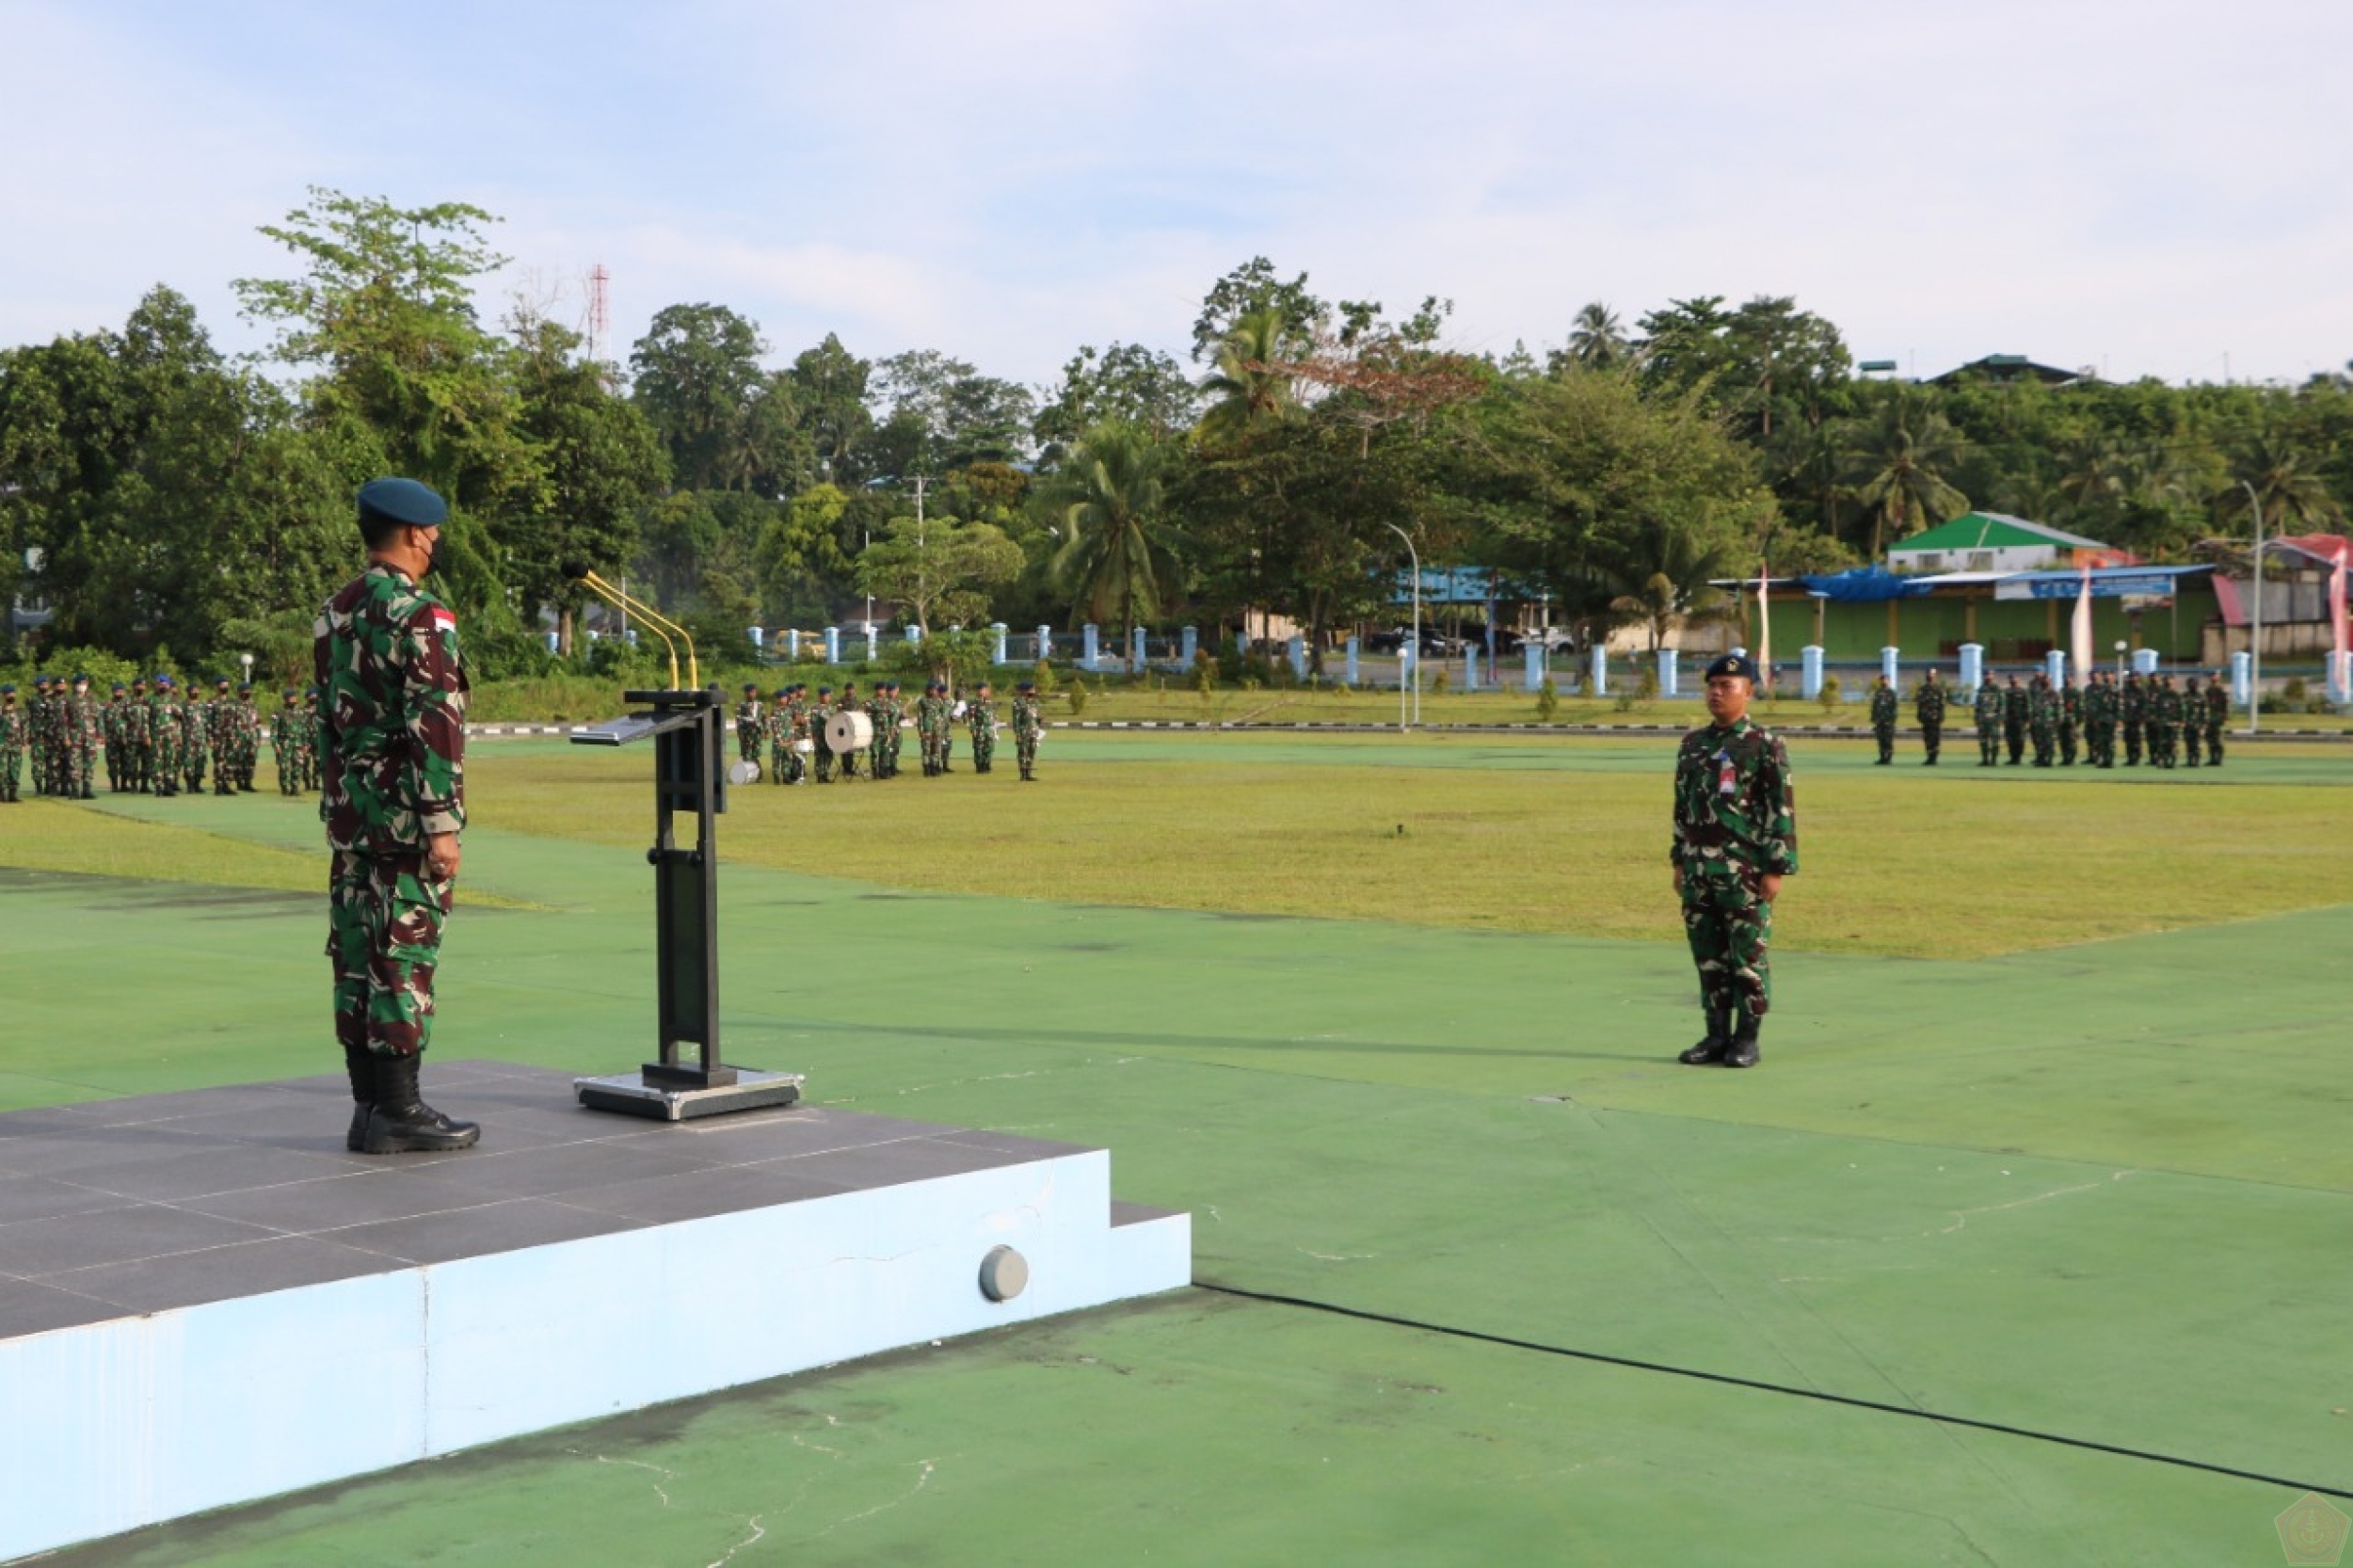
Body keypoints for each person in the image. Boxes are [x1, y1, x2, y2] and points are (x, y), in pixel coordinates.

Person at [315, 476, 479, 1156]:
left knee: (358, 957)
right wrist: (441, 823)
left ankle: (368, 1110)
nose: (436, 541)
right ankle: (400, 1111)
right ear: (414, 535)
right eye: (433, 533)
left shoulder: (338, 610)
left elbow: (329, 720)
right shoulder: (419, 614)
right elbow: (433, 722)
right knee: (404, 957)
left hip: (354, 817)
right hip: (408, 819)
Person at [1671, 654, 1797, 1070]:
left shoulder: (1765, 745)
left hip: (1744, 872)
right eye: (1712, 685)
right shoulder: (1692, 745)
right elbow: (1682, 809)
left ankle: (1747, 1038)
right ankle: (1715, 1034)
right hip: (1699, 871)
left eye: (1727, 685)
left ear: (1749, 691)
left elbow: (1781, 809)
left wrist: (1776, 868)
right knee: (1708, 956)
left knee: (1747, 956)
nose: (1717, 692)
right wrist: (1678, 860)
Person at [1012, 680, 1044, 780]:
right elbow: (1016, 719)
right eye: (1031, 689)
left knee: (1032, 751)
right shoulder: (1018, 702)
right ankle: (1023, 774)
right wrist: (1017, 733)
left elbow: (1035, 717)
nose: (1033, 691)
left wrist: (1039, 720)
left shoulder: (1035, 702)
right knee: (1023, 752)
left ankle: (1029, 773)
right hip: (1023, 730)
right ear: (1025, 690)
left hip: (1033, 730)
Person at [966, 680, 998, 774]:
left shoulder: (990, 703)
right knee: (979, 748)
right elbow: (971, 717)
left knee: (989, 747)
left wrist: (995, 728)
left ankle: (987, 764)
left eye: (985, 690)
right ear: (978, 691)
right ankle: (979, 766)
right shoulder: (974, 703)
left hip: (989, 729)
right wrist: (973, 728)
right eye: (982, 690)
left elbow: (993, 716)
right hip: (979, 728)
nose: (984, 692)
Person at [1915, 668, 1945, 764]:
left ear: (1935, 676)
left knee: (1935, 738)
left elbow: (1942, 705)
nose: (1930, 676)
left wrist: (1941, 716)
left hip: (1935, 719)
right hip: (1926, 718)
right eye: (1929, 674)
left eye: (1932, 674)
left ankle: (1934, 758)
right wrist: (1919, 716)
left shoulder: (1939, 690)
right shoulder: (1922, 690)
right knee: (1927, 738)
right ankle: (1929, 757)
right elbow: (1919, 704)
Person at [734, 683, 764, 774]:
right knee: (746, 755)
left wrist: (765, 730)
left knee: (755, 754)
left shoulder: (759, 705)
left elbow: (764, 718)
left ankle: (757, 773)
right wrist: (740, 733)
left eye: (754, 692)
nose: (752, 694)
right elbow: (738, 720)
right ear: (746, 693)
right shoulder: (741, 705)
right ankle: (749, 773)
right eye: (750, 692)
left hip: (756, 734)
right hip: (746, 733)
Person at [1974, 676, 2002, 766]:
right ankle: (1985, 760)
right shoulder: (1981, 690)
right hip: (1982, 720)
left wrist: (2000, 718)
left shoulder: (1997, 690)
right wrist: (1976, 718)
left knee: (1995, 740)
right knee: (1983, 741)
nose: (1988, 677)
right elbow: (1977, 707)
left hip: (1993, 720)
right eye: (1986, 676)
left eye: (1990, 676)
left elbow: (2001, 706)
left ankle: (1994, 760)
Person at [1869, 675, 1897, 764]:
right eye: (1882, 680)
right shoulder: (1878, 693)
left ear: (1888, 681)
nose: (1883, 682)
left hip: (1888, 721)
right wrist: (1874, 718)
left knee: (1888, 740)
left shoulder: (1891, 693)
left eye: (1885, 680)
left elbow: (1894, 708)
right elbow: (1874, 706)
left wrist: (1891, 720)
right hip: (1879, 721)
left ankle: (1888, 758)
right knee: (1881, 740)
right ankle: (1882, 758)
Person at [0, 685, 21, 802]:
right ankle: (1, 792)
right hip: (2, 744)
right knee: (2, 769)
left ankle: (13, 794)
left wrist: (25, 743)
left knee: (15, 768)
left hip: (16, 744)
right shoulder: (1, 710)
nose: (11, 695)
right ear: (3, 695)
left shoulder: (20, 710)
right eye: (8, 693)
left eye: (13, 693)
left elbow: (25, 726)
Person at [2121, 671, 2146, 766]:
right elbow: (2122, 703)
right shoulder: (2126, 690)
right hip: (2127, 718)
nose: (2132, 679)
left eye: (2134, 677)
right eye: (2131, 677)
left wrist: (2141, 718)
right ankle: (2130, 758)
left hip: (2136, 719)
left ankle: (2136, 758)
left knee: (2136, 739)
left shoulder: (2141, 690)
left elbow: (2144, 706)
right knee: (2128, 739)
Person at [2204, 670, 2229, 766]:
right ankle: (2212, 758)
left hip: (2218, 717)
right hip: (2210, 717)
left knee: (2218, 738)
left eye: (2214, 676)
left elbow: (2225, 704)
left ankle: (2219, 758)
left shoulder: (2221, 690)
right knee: (2210, 738)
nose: (2212, 678)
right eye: (2211, 676)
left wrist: (2225, 717)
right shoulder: (2208, 690)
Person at [2182, 676, 2204, 767]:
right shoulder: (2184, 696)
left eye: (2194, 683)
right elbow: (2180, 710)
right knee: (2188, 743)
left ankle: (2196, 760)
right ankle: (2190, 760)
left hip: (2197, 724)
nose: (2192, 685)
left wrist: (2203, 726)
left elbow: (2205, 712)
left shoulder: (2201, 697)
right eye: (2190, 683)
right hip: (2187, 724)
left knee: (2197, 743)